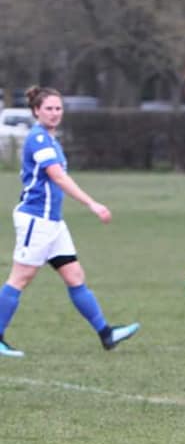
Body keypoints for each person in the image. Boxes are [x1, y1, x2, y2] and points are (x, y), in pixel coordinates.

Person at [0, 86, 139, 358]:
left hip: (53, 223)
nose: (54, 113)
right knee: (20, 277)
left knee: (75, 276)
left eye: (58, 108)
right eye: (48, 108)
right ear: (36, 111)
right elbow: (58, 177)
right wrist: (92, 204)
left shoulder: (52, 140)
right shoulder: (38, 139)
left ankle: (106, 334)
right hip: (35, 220)